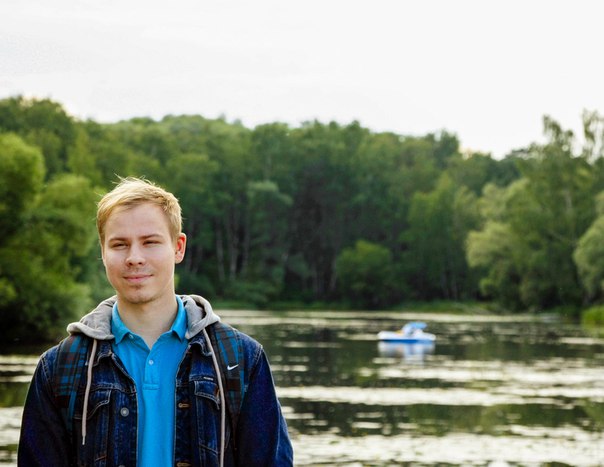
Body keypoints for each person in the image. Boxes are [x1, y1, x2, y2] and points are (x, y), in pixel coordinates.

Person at [18, 177, 294, 466]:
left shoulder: (241, 359)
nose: (134, 258)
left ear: (178, 247)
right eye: (119, 244)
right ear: (103, 252)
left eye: (150, 242)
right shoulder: (60, 367)